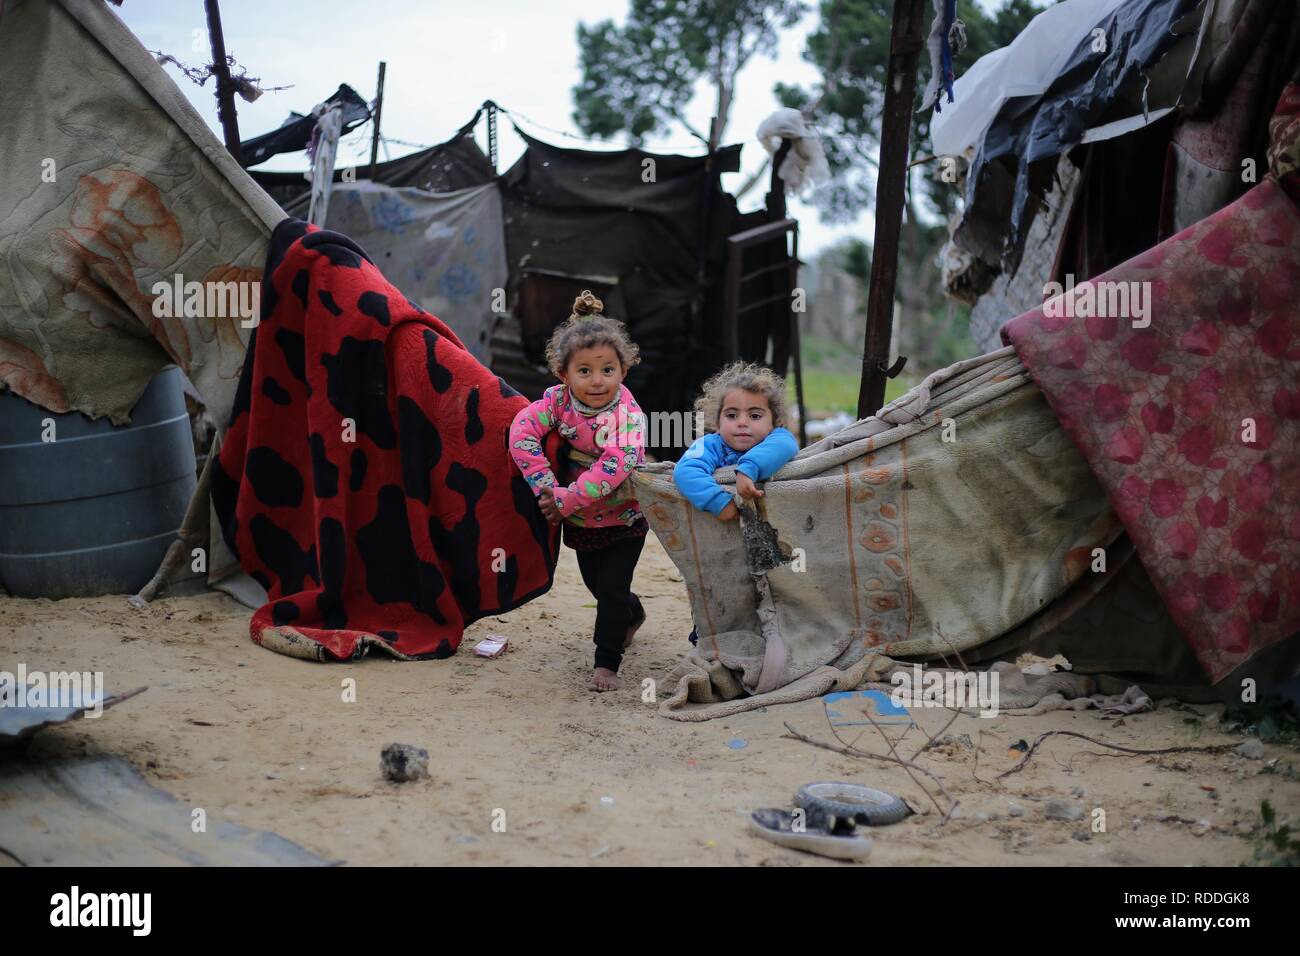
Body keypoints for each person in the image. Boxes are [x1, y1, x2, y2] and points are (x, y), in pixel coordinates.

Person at [508, 291, 648, 691]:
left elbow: (615, 463)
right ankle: (630, 614)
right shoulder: (558, 403)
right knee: (598, 586)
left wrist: (566, 498)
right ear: (563, 374)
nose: (597, 380)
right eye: (584, 371)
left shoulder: (628, 417)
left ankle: (606, 662)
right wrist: (547, 487)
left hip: (626, 515)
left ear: (624, 370)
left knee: (610, 588)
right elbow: (521, 432)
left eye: (607, 369)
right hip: (582, 520)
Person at [673, 361, 799, 645]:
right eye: (732, 415)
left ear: (773, 422)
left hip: (776, 542)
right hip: (724, 546)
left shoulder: (778, 439)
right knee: (717, 590)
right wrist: (720, 501)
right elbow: (686, 471)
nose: (742, 422)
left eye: (755, 415)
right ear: (718, 422)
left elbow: (787, 446)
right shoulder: (711, 445)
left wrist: (747, 470)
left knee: (775, 594)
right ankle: (706, 637)